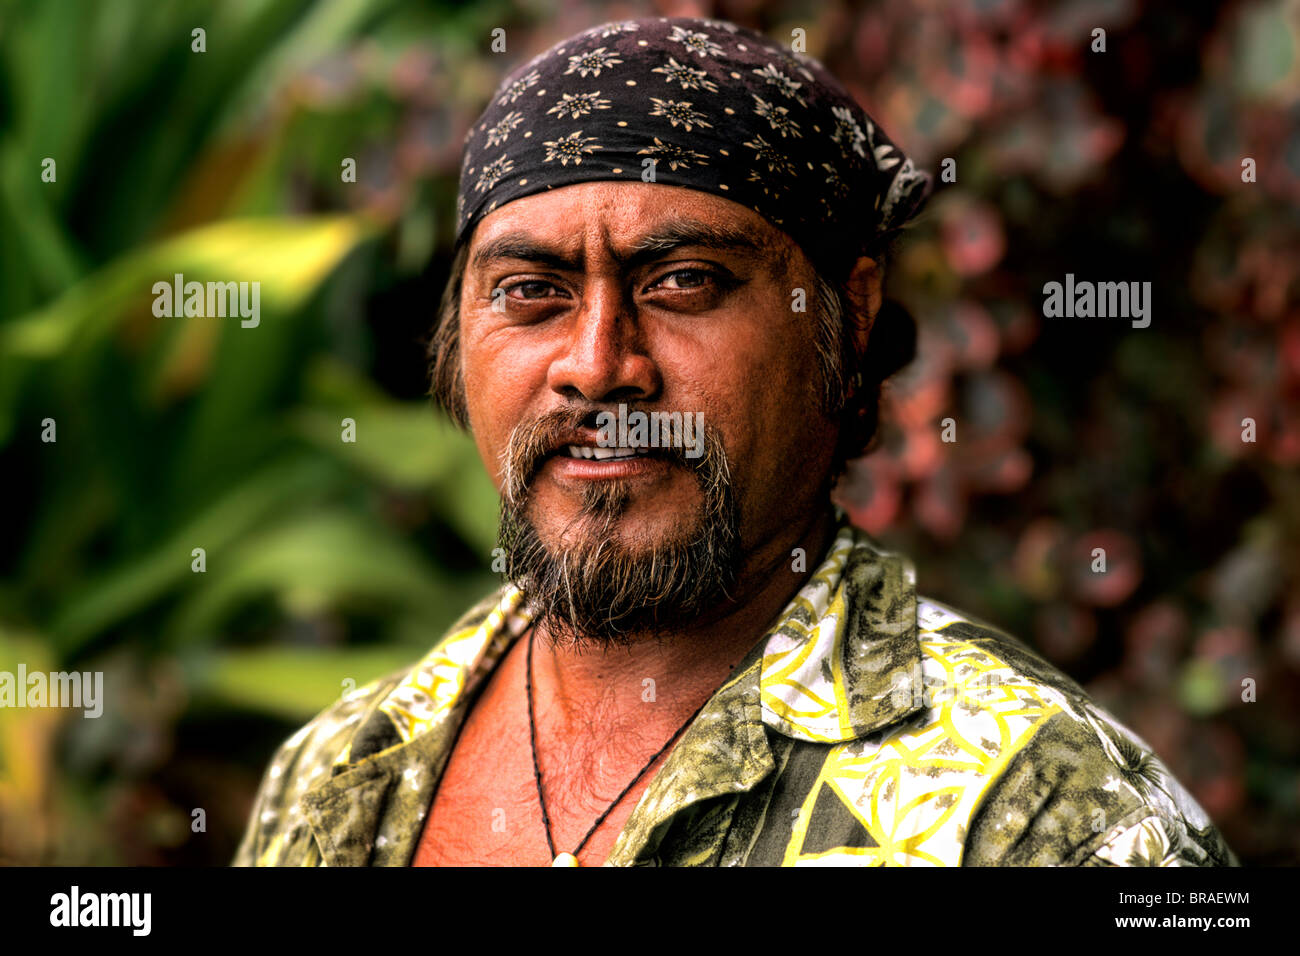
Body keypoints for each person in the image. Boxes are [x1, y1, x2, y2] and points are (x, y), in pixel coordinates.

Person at [233, 15, 1237, 867]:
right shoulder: (337, 775)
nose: (596, 361)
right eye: (531, 292)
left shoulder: (1044, 807)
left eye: (683, 282)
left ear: (844, 316)